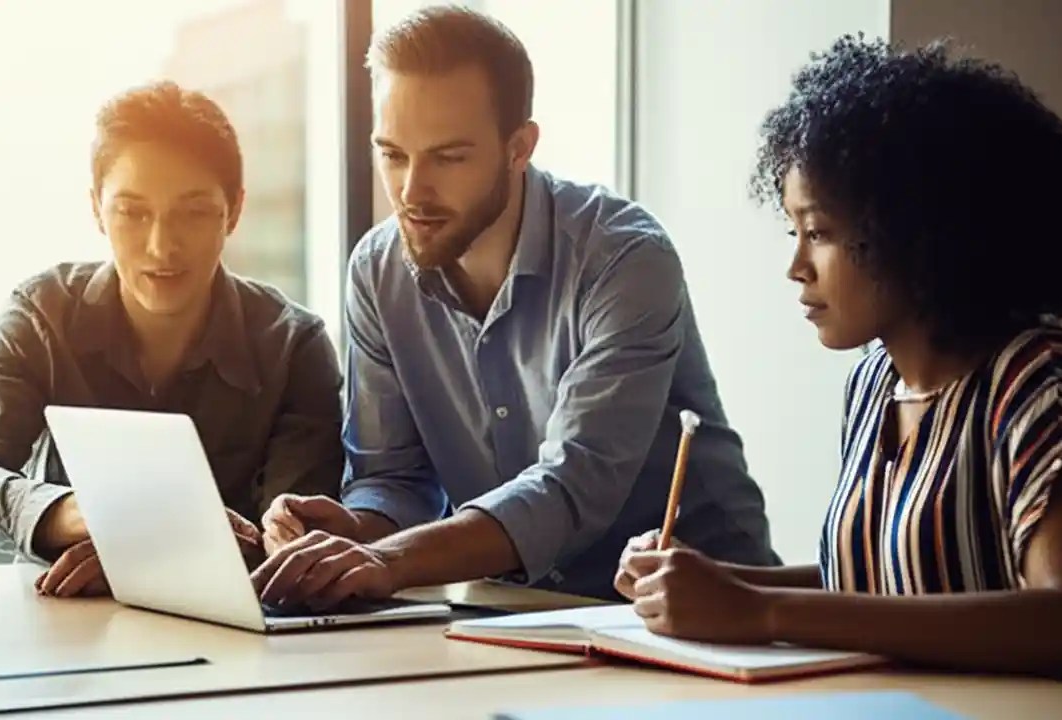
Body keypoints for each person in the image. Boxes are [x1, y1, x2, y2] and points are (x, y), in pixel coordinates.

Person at [252, 5, 777, 608]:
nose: (410, 192)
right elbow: (393, 481)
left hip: (700, 618)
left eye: (448, 158)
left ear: (519, 147)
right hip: (516, 615)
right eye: (393, 154)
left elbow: (572, 489)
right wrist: (349, 535)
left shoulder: (625, 259)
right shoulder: (377, 271)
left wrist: (386, 558)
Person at [616, 35, 1062, 682]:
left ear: (919, 231)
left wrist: (762, 610)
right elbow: (880, 580)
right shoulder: (875, 384)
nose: (795, 268)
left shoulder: (1037, 379)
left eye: (819, 233)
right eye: (795, 232)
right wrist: (716, 584)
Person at [0, 81, 344, 598]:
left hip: (230, 622)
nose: (161, 246)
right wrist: (76, 515)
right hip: (64, 618)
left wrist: (147, 552)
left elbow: (292, 539)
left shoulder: (293, 346)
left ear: (234, 211)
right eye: (132, 212)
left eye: (193, 212)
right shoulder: (42, 314)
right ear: (96, 210)